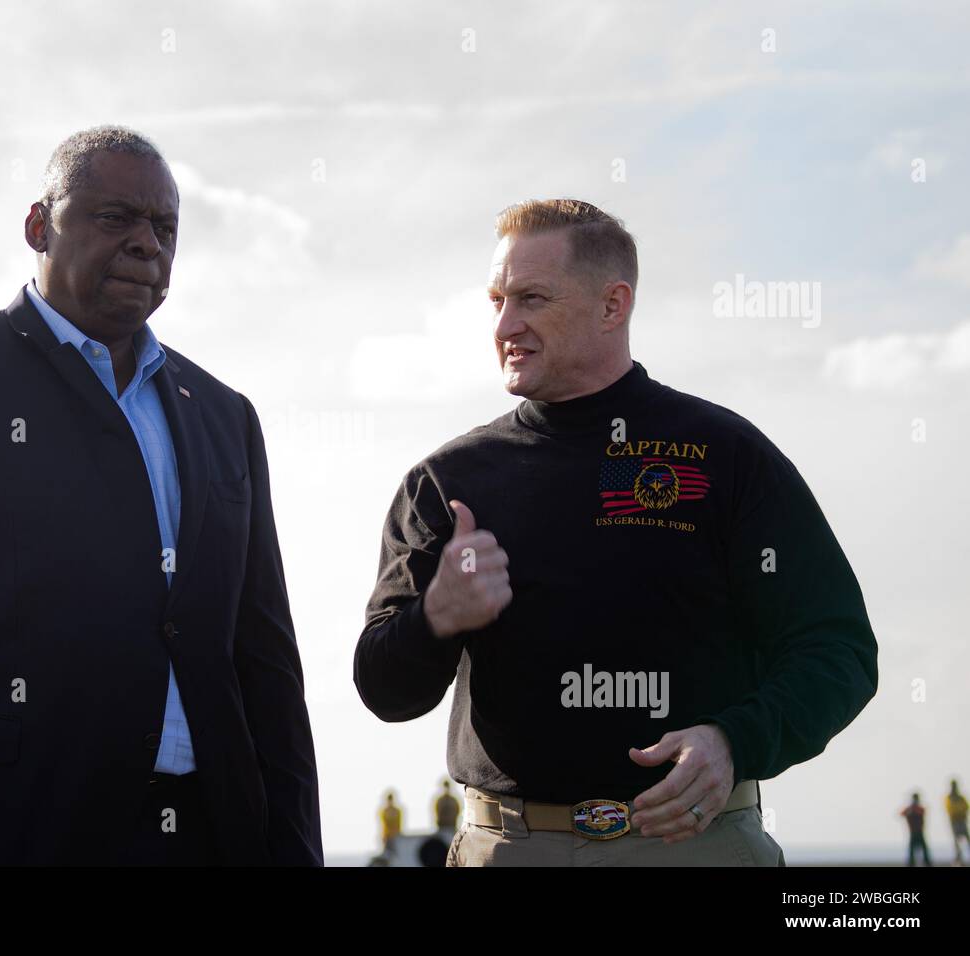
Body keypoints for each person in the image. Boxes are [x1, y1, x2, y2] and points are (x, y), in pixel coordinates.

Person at [0, 126, 322, 866]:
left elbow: (265, 662)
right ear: (39, 226)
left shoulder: (224, 415)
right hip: (5, 835)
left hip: (211, 837)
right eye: (115, 218)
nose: (147, 244)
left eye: (165, 227)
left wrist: (295, 849)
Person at [354, 199, 879, 867]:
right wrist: (435, 619)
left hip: (694, 844)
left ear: (613, 305)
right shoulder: (448, 481)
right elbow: (382, 689)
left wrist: (734, 740)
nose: (505, 325)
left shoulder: (727, 456)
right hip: (512, 849)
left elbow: (837, 650)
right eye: (496, 300)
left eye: (532, 298)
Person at [901, 793, 931, 866]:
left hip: (920, 832)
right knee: (912, 851)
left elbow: (923, 811)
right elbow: (902, 813)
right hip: (913, 832)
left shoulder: (919, 808)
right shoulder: (909, 809)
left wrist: (914, 810)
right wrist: (910, 810)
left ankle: (927, 863)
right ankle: (911, 863)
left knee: (924, 850)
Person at [947, 779, 968, 865]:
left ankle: (959, 859)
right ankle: (959, 859)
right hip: (954, 821)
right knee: (956, 841)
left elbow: (966, 806)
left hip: (962, 821)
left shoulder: (961, 797)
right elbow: (950, 809)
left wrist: (960, 811)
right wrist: (959, 811)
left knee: (967, 839)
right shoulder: (949, 797)